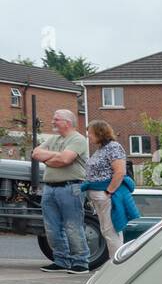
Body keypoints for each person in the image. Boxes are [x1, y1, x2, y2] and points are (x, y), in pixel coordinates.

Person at [31, 109, 90, 274]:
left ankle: (81, 262)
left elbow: (65, 159)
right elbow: (36, 153)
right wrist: (56, 157)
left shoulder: (78, 139)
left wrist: (49, 158)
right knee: (51, 228)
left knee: (73, 226)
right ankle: (61, 260)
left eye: (56, 119)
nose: (52, 122)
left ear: (67, 122)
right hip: (49, 188)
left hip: (71, 188)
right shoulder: (53, 139)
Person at [82, 120, 130, 257]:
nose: (88, 136)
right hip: (99, 196)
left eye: (90, 133)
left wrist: (108, 192)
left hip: (106, 195)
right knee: (106, 231)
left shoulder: (113, 147)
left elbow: (120, 172)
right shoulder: (101, 149)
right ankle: (115, 261)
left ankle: (117, 263)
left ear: (100, 133)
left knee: (111, 231)